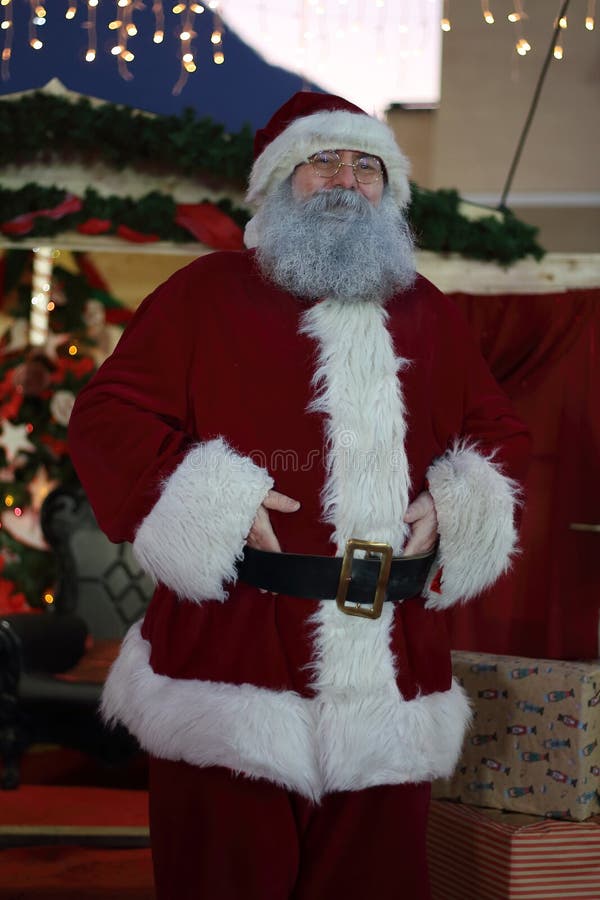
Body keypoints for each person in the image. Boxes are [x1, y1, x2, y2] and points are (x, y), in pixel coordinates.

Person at [68, 91, 531, 900]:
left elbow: (499, 432)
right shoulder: (205, 294)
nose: (346, 180)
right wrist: (212, 498)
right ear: (280, 180)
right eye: (323, 161)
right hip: (232, 660)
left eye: (366, 165)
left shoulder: (427, 310)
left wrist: (458, 500)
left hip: (392, 669)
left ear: (390, 190)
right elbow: (109, 417)